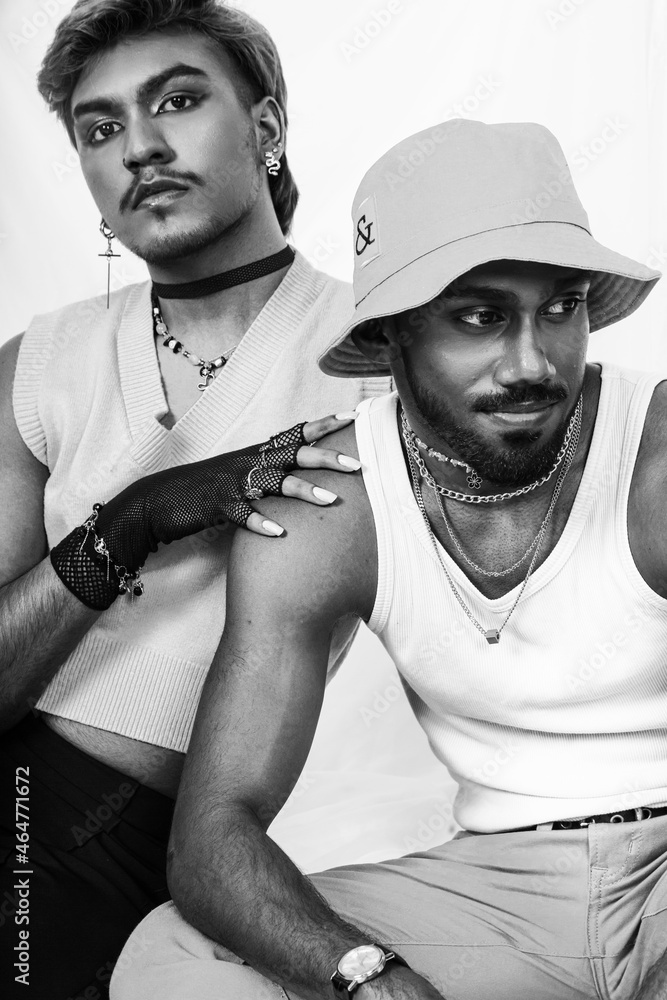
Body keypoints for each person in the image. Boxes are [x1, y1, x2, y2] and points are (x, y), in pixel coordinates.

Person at [111, 118, 667, 1000]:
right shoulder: (331, 507)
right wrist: (367, 976)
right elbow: (215, 833)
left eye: (561, 308)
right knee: (176, 953)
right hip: (500, 898)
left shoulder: (653, 456)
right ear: (392, 336)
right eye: (481, 317)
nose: (533, 362)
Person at [0, 1, 390, 996]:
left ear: (265, 127)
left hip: (166, 843)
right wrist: (135, 517)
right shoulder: (38, 364)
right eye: (100, 127)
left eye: (176, 100)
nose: (139, 146)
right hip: (25, 793)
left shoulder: (379, 355)